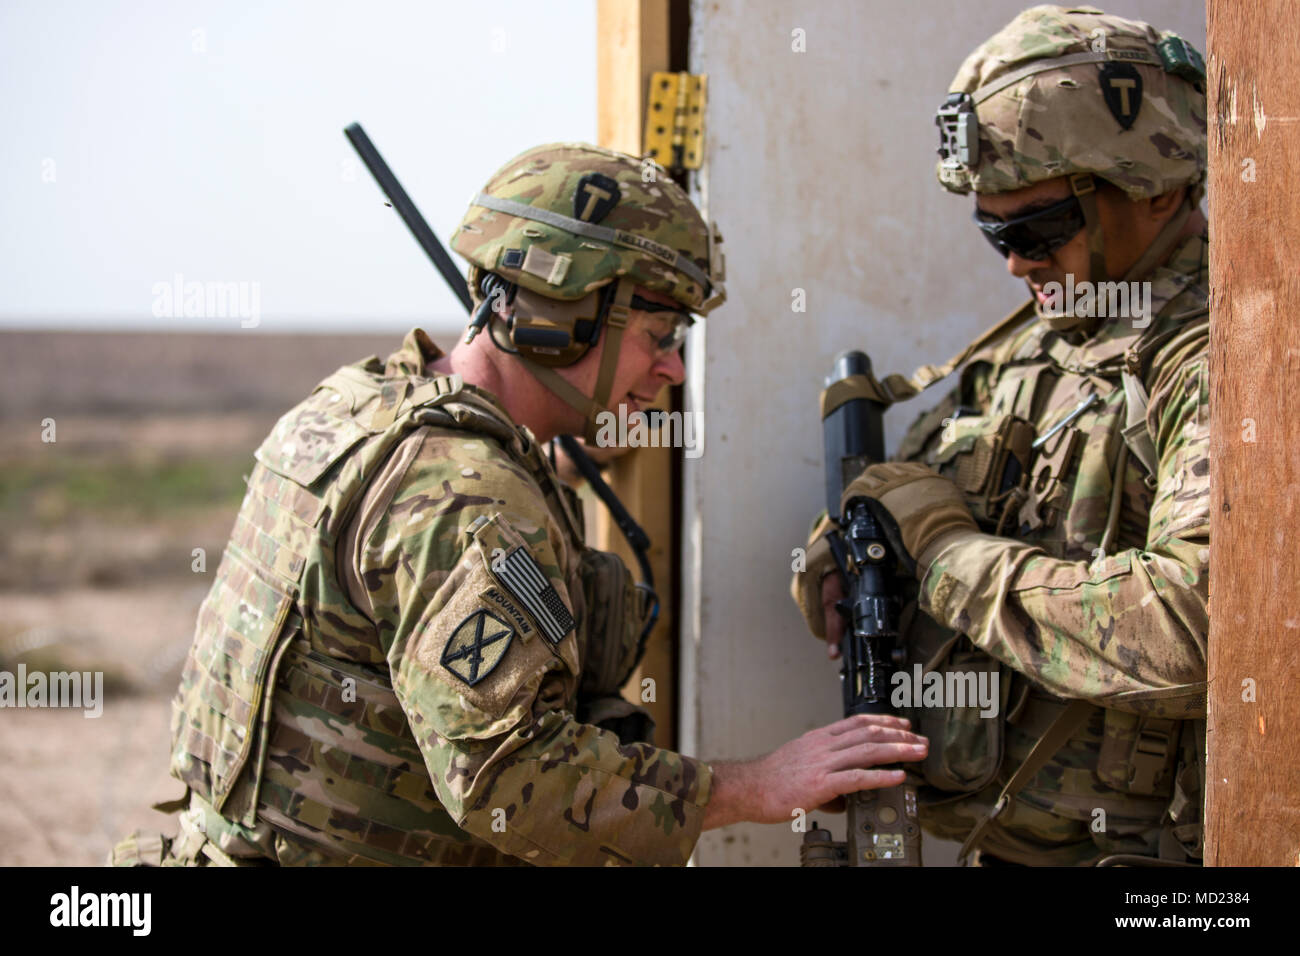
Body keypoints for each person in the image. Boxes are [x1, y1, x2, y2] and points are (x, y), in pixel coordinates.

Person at [111, 142, 927, 867]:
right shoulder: (473, 501)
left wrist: (556, 452)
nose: (674, 370)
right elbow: (513, 781)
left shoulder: (356, 406)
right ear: (558, 318)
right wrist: (753, 786)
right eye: (660, 335)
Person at [791, 5, 1209, 866]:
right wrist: (849, 555)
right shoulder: (1032, 345)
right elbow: (911, 496)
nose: (1015, 264)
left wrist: (944, 561)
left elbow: (1189, 634)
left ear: (1155, 185)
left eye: (1037, 230)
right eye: (994, 233)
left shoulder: (1231, 361)